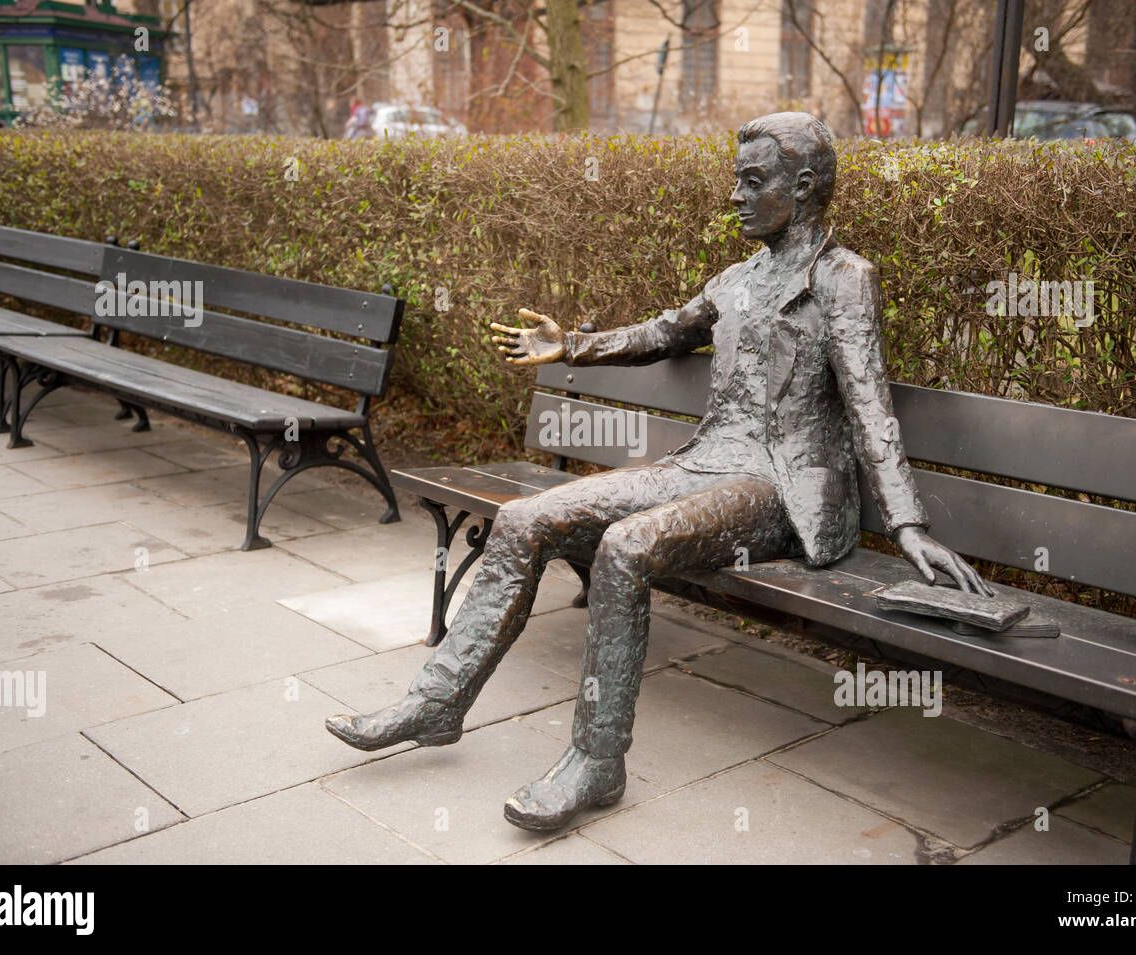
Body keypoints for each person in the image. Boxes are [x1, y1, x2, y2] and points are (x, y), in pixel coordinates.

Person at [326, 112, 991, 831]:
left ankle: (597, 759)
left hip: (779, 489)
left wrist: (908, 524)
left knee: (626, 547)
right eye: (736, 180)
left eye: (752, 181)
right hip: (705, 464)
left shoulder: (844, 279)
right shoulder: (734, 281)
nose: (735, 195)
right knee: (523, 518)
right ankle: (439, 700)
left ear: (801, 188)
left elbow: (870, 403)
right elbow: (663, 332)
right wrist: (572, 344)